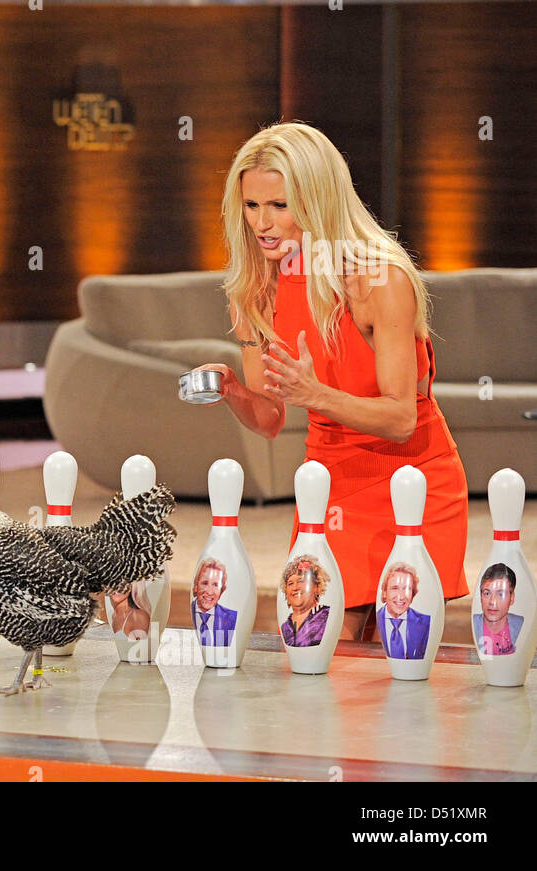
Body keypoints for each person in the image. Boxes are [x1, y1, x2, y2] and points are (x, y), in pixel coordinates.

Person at [194, 122, 469, 641]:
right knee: (317, 644)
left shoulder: (379, 279)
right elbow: (272, 419)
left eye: (279, 205)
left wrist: (314, 393)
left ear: (318, 200)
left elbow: (400, 418)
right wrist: (233, 388)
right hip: (327, 482)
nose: (262, 224)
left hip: (410, 478)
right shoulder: (252, 291)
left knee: (399, 655)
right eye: (251, 206)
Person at [376, 563, 430, 660]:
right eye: (395, 588)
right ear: (384, 592)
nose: (401, 596)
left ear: (413, 594)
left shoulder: (425, 623)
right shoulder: (376, 619)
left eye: (407, 589)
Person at [474, 563, 524, 657]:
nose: (492, 602)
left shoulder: (523, 625)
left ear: (512, 598)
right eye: (487, 594)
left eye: (501, 594)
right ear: (481, 596)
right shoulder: (472, 626)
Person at [280, 555, 331, 647]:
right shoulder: (285, 626)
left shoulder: (326, 616)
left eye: (301, 581)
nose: (295, 588)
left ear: (316, 586)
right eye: (290, 583)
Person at [190, 557, 236, 647]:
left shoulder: (231, 618)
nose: (210, 592)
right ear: (196, 586)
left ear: (221, 591)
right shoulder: (185, 613)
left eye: (216, 585)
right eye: (205, 583)